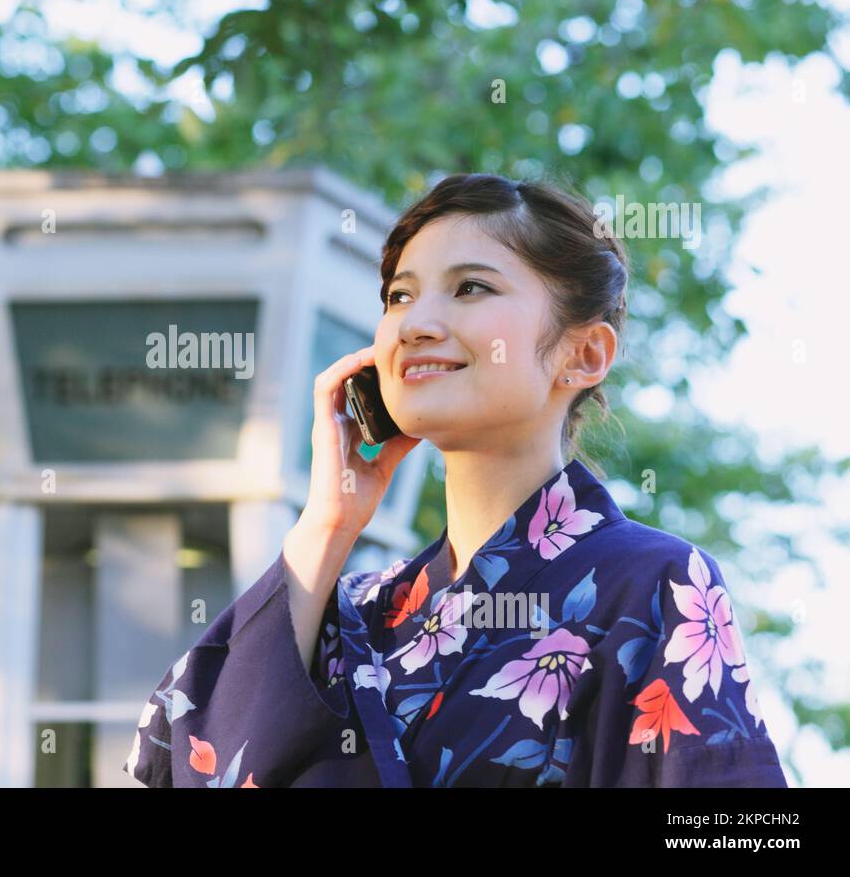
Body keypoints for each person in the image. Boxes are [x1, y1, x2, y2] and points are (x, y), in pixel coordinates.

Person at [122, 173, 787, 788]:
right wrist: (327, 522)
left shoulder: (651, 584)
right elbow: (190, 765)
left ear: (584, 354)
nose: (415, 324)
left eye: (471, 288)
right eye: (399, 296)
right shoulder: (349, 610)